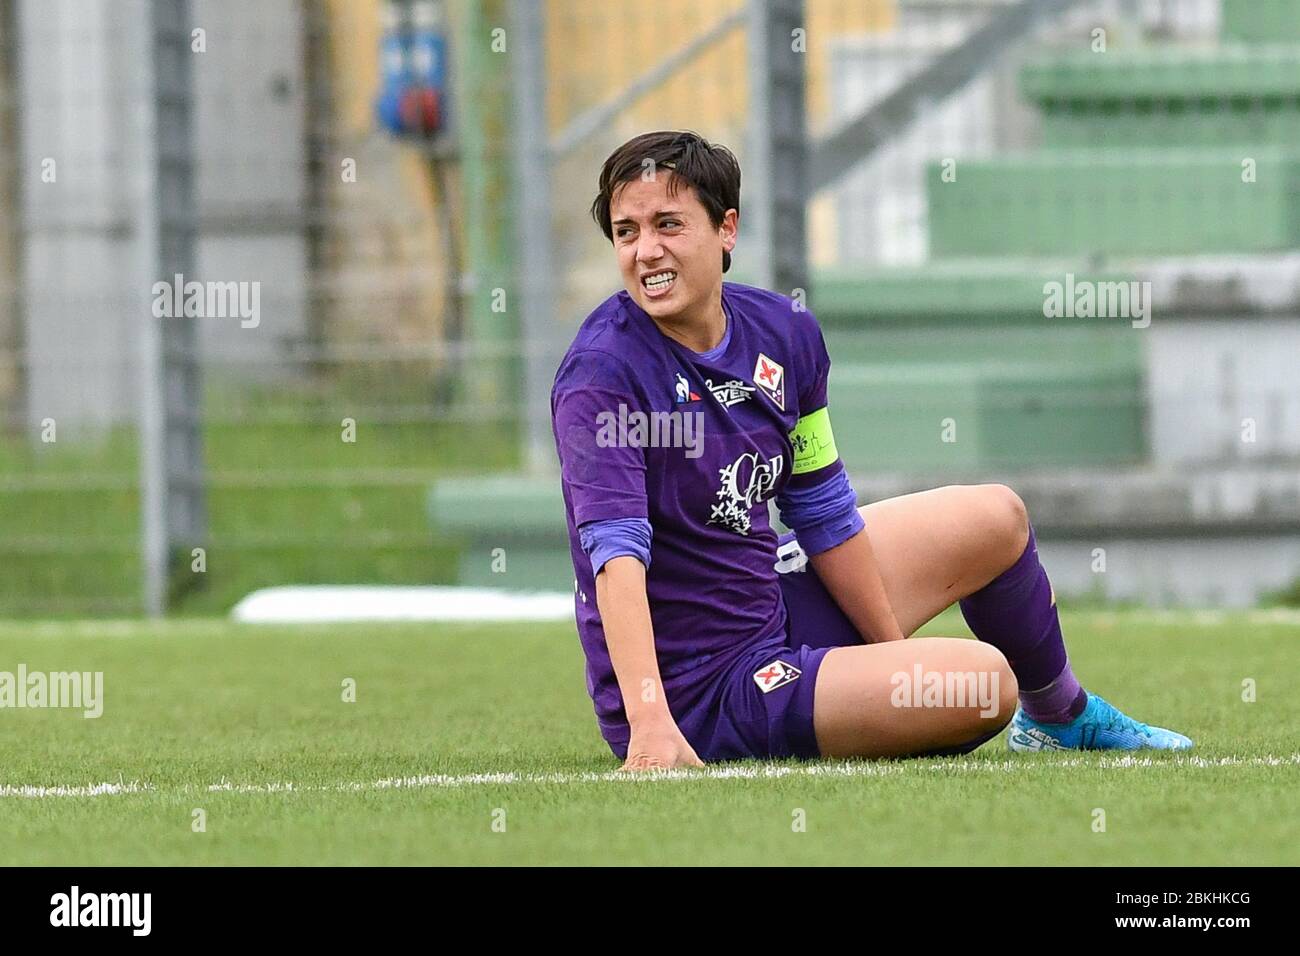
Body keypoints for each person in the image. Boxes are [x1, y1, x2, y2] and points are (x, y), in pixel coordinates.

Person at [550, 130, 1192, 771]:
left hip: (772, 600)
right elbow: (615, 559)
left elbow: (822, 508)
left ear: (727, 229)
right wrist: (651, 725)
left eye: (668, 224)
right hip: (702, 693)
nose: (646, 251)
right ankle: (699, 717)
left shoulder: (785, 331)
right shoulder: (603, 373)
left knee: (996, 517)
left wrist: (891, 658)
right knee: (982, 686)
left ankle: (1060, 716)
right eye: (627, 232)